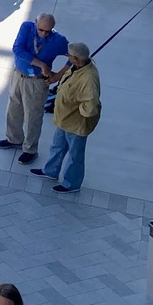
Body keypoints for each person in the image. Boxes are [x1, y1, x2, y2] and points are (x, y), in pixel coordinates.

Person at [0, 13, 69, 165]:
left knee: (33, 116)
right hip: (18, 75)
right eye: (41, 30)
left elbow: (75, 57)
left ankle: (30, 149)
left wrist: (58, 76)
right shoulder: (27, 27)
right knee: (13, 109)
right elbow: (18, 49)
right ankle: (14, 138)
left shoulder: (59, 40)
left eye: (47, 31)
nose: (43, 34)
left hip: (36, 82)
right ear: (36, 23)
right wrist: (42, 65)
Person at [30, 42, 100, 193]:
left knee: (75, 156)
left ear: (75, 58)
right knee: (57, 146)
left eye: (69, 55)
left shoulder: (88, 79)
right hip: (64, 119)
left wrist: (76, 112)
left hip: (76, 124)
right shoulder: (76, 67)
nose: (67, 57)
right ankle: (51, 171)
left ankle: (71, 184)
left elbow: (90, 107)